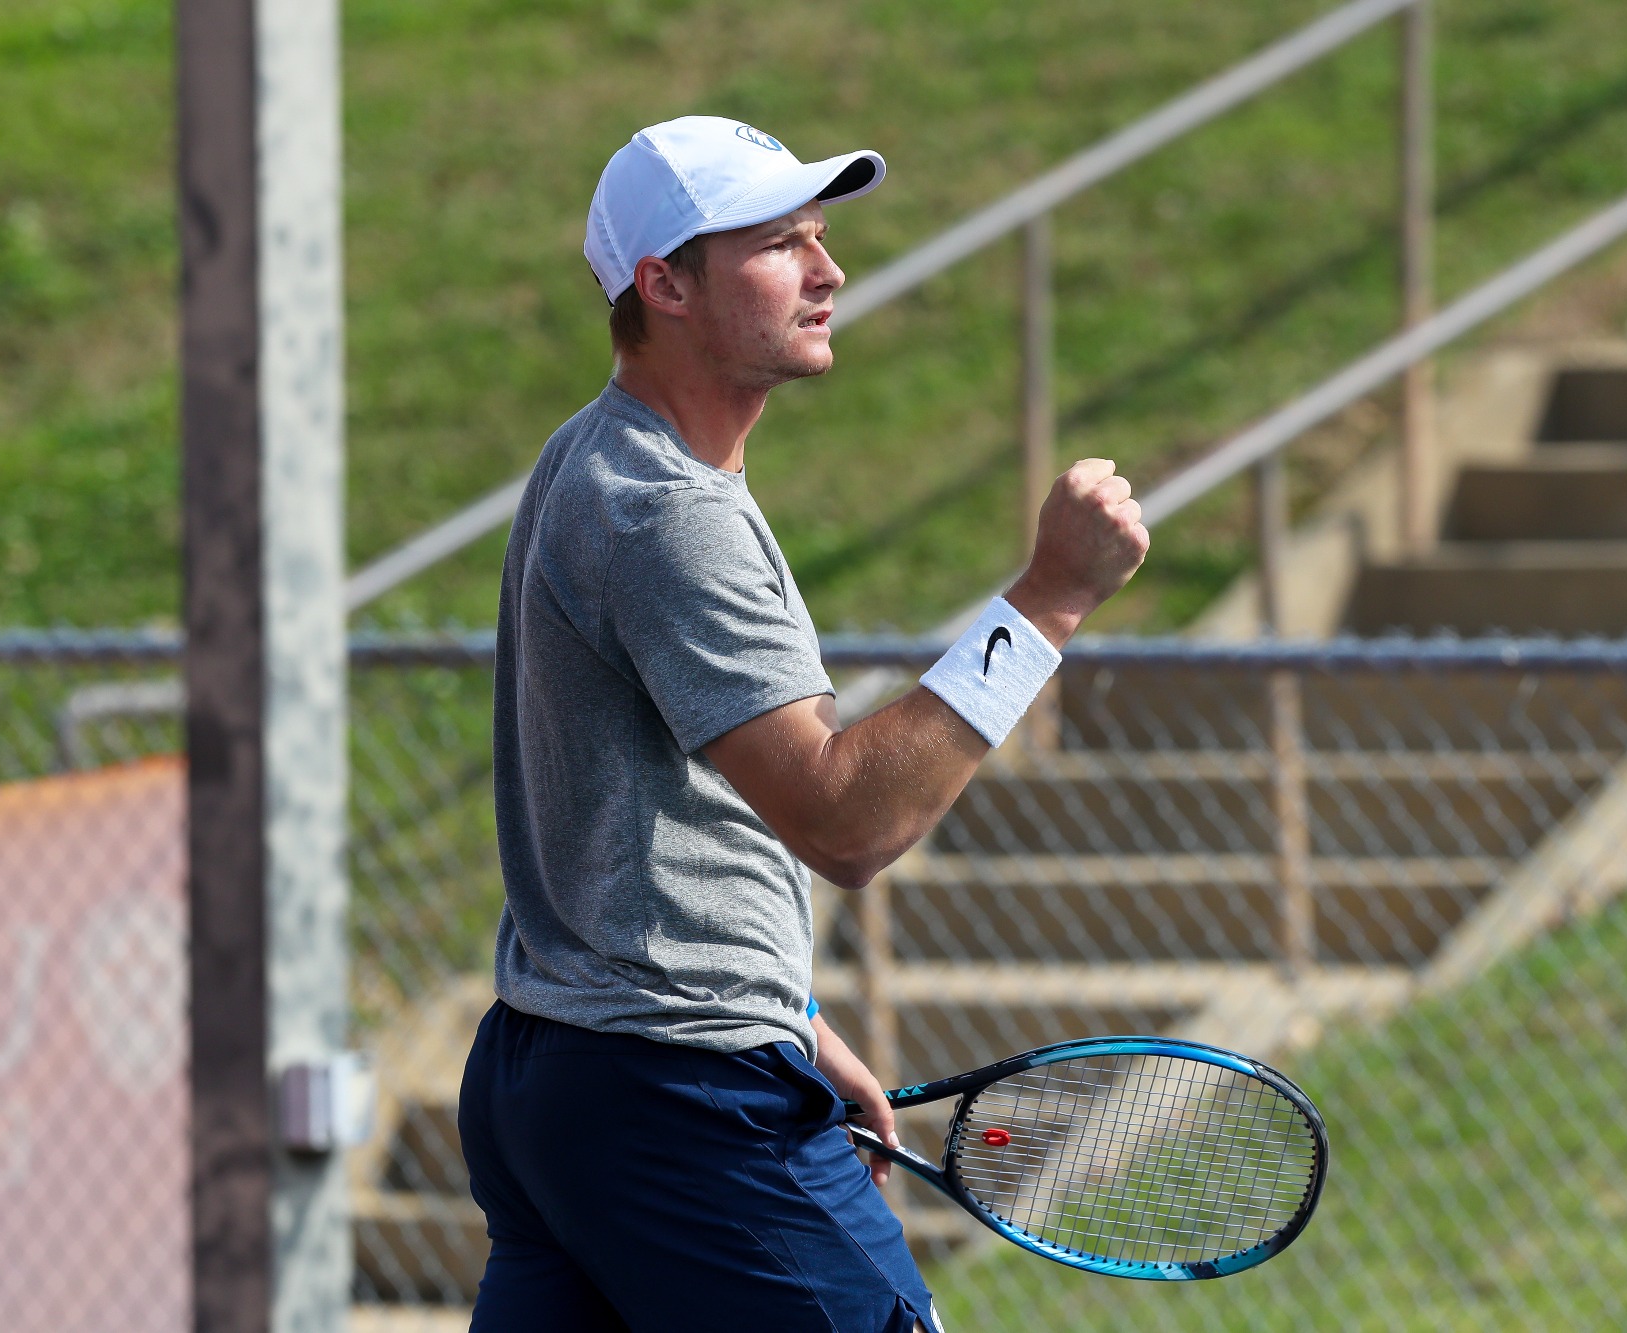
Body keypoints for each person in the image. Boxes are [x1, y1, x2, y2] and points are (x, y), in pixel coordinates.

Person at [457, 115, 1150, 1333]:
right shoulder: (665, 511)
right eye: (780, 245)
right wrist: (1047, 600)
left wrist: (799, 1018)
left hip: (557, 1075)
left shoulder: (598, 460)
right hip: (677, 1099)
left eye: (819, 237)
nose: (828, 272)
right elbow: (845, 818)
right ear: (663, 284)